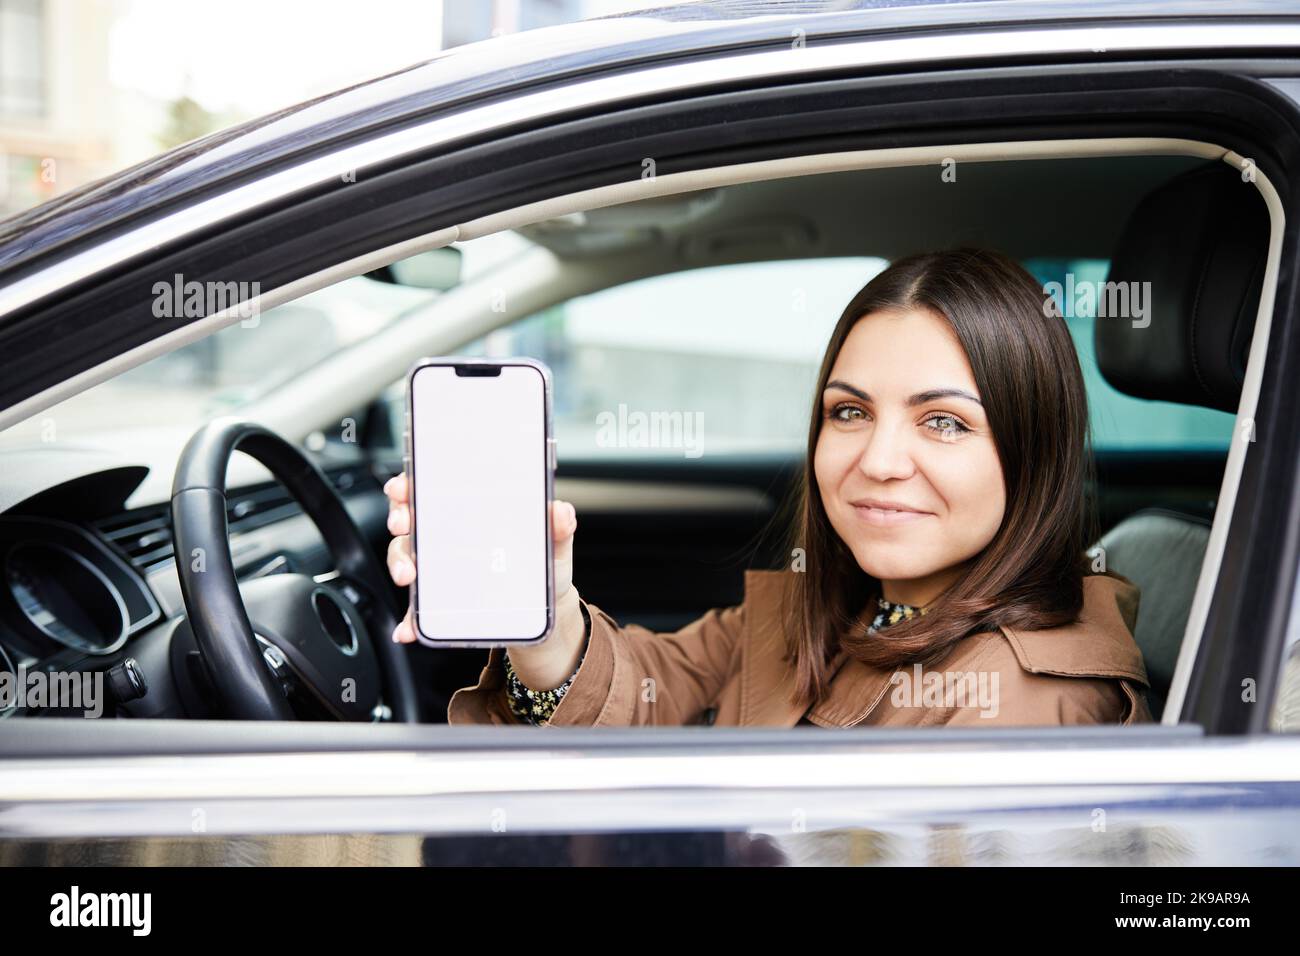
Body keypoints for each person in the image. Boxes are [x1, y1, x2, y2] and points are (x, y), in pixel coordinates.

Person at [384, 248, 1153, 728]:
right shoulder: (835, 603)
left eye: (944, 423)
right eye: (849, 412)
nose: (879, 460)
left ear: (1034, 452)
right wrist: (545, 613)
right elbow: (658, 686)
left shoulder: (1026, 704)